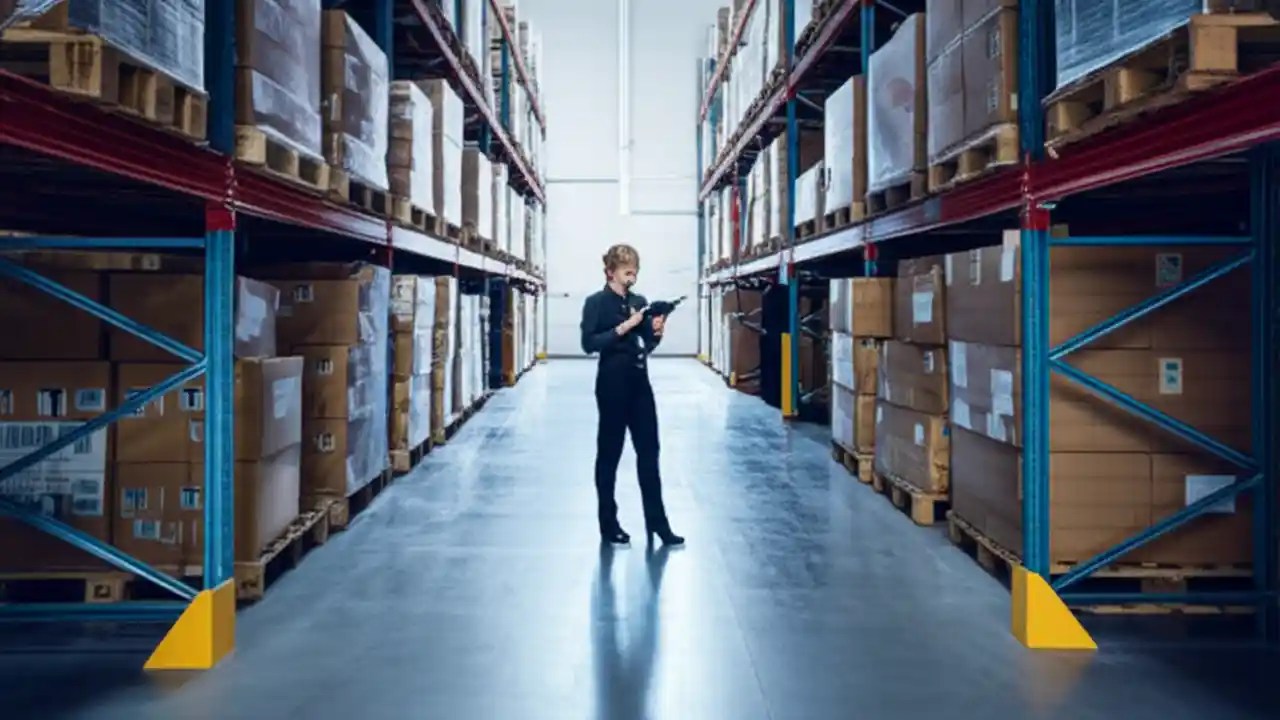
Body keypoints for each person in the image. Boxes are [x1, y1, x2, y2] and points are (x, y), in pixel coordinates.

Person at [579, 244, 684, 547]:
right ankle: (608, 523)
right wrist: (625, 326)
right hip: (612, 385)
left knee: (650, 452)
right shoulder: (596, 303)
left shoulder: (640, 301)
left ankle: (658, 523)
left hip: (640, 384)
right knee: (610, 454)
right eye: (626, 268)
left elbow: (646, 344)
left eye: (635, 268)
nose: (632, 273)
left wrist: (656, 331)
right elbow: (589, 343)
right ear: (610, 272)